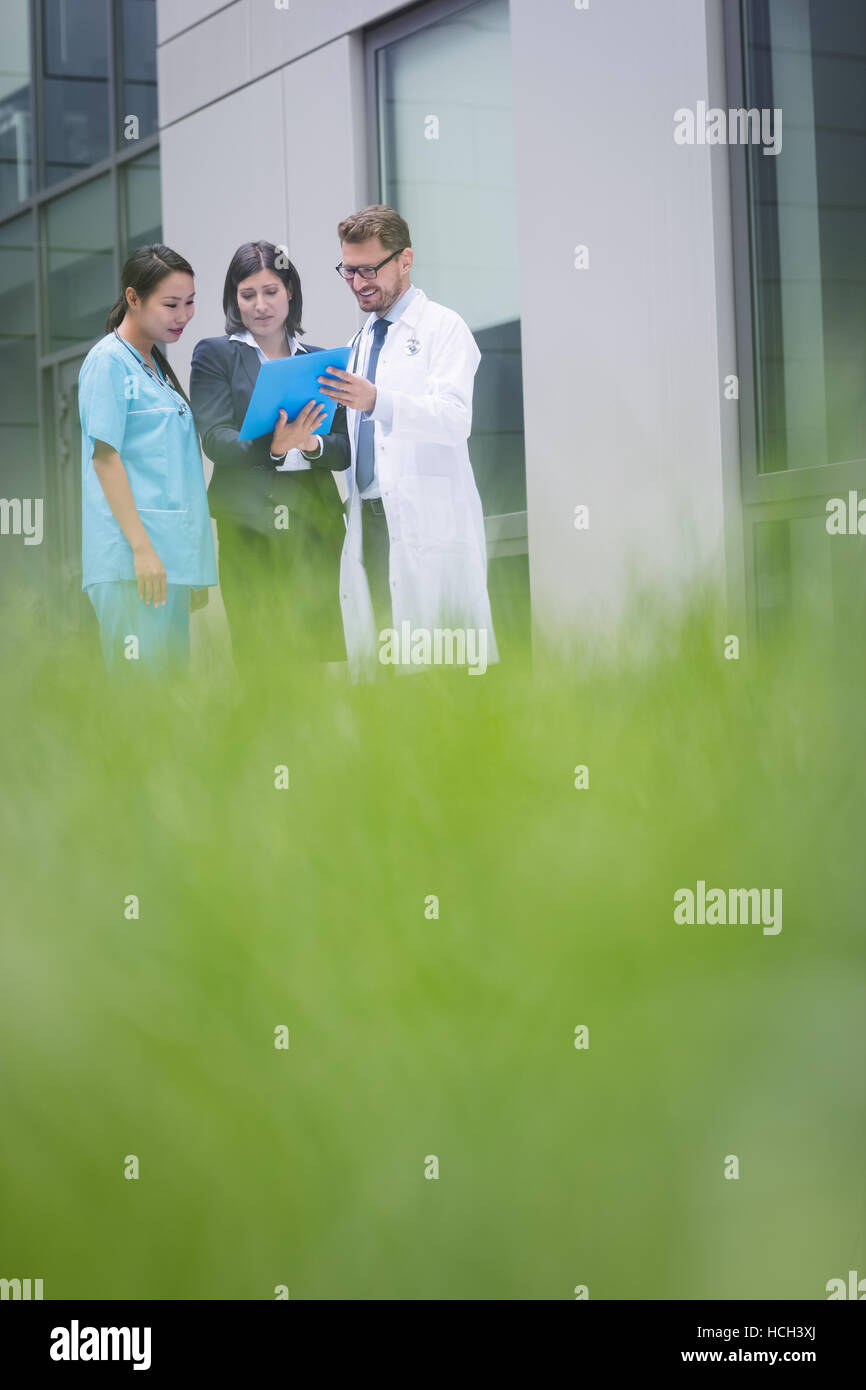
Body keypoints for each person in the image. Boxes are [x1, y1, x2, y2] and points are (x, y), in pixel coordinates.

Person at [314, 205, 498, 680]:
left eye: (369, 269)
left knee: (438, 680)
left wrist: (379, 401)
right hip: (370, 527)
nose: (358, 283)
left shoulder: (443, 328)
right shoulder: (357, 342)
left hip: (424, 525)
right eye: (348, 271)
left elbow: (455, 418)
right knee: (382, 680)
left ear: (405, 259)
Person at [189, 242, 350, 678]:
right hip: (250, 523)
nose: (260, 305)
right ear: (234, 299)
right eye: (247, 295)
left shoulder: (320, 361)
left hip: (316, 520)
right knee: (263, 654)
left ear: (290, 291)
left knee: (323, 652)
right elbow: (215, 439)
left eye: (270, 291)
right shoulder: (215, 354)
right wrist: (275, 447)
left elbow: (342, 449)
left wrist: (309, 445)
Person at [79, 244, 217, 675]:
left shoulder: (153, 366)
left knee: (168, 708)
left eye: (191, 303)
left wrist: (186, 565)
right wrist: (143, 551)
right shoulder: (108, 363)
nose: (183, 315)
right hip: (131, 563)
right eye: (171, 304)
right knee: (138, 705)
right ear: (133, 298)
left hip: (166, 563)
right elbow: (105, 459)